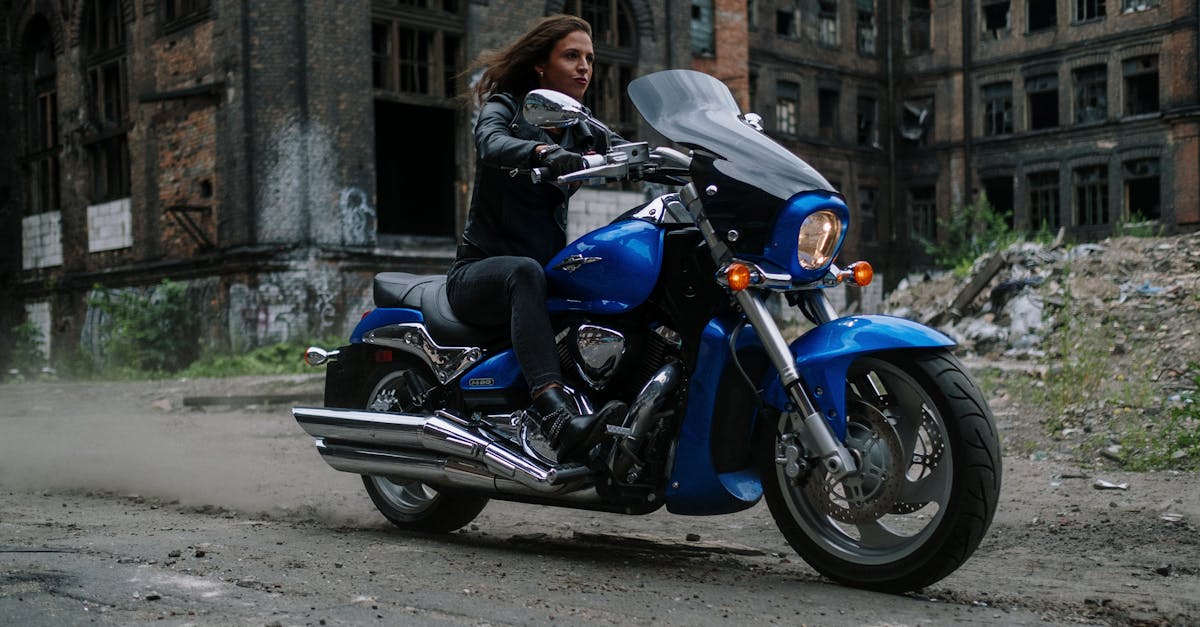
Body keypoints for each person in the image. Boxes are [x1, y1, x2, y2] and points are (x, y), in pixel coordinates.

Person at [448, 15, 626, 462]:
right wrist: (543, 151)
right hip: (481, 273)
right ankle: (554, 414)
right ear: (540, 67)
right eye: (571, 56)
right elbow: (490, 143)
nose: (585, 66)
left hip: (539, 273)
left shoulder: (581, 126)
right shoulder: (505, 107)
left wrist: (692, 161)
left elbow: (626, 149)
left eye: (589, 58)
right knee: (524, 273)